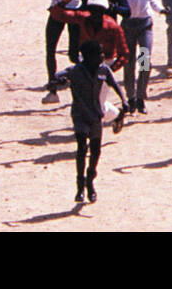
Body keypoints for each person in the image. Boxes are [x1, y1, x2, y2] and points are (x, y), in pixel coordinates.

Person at [50, 39, 128, 204]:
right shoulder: (77, 70)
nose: (102, 56)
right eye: (99, 54)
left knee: (95, 151)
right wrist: (59, 81)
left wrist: (125, 99)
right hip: (81, 115)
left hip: (96, 113)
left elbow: (117, 75)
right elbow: (59, 76)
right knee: (81, 148)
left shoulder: (104, 68)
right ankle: (80, 186)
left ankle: (90, 179)